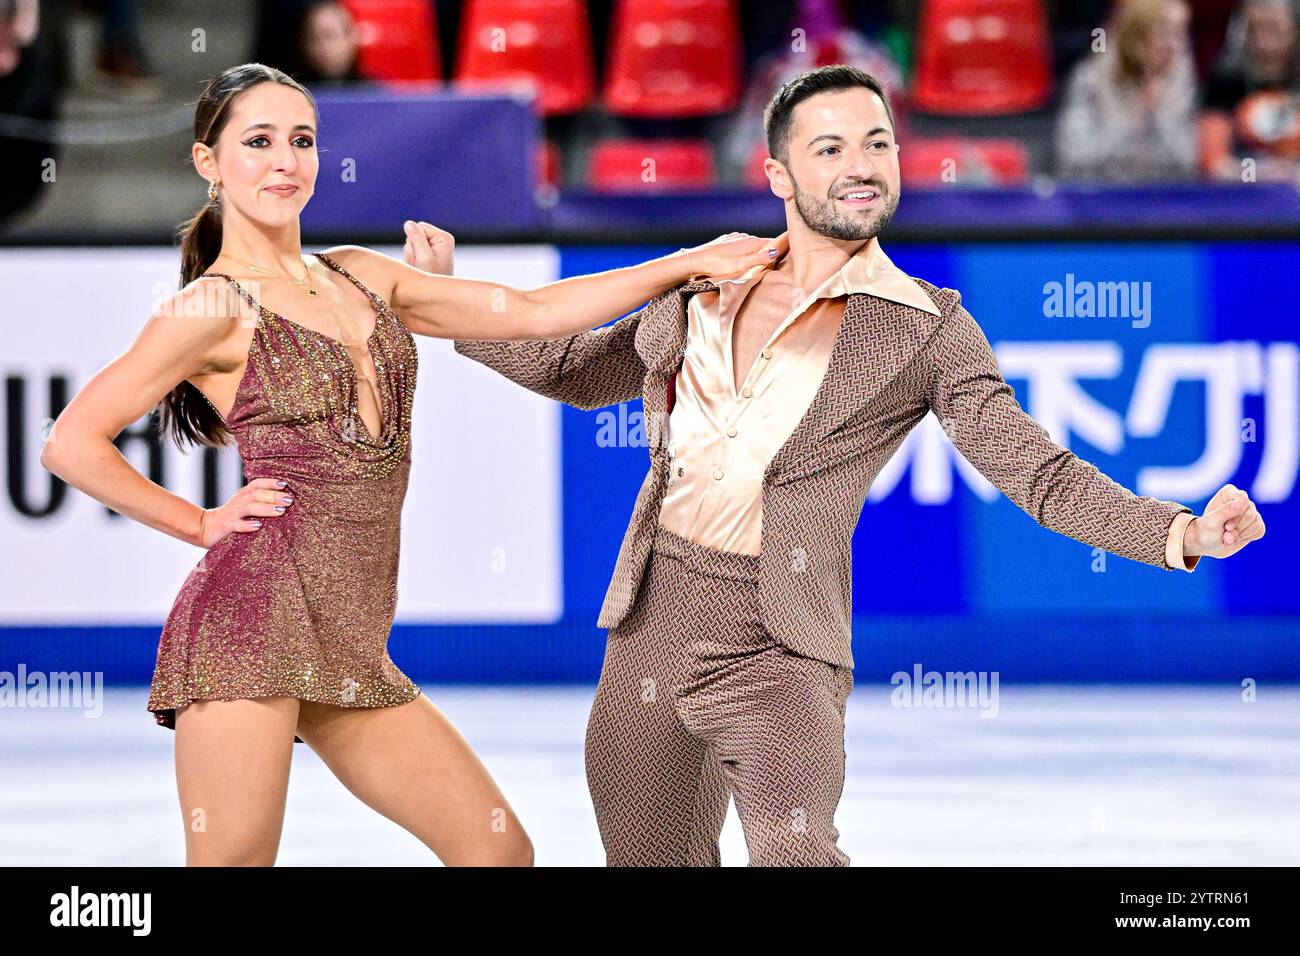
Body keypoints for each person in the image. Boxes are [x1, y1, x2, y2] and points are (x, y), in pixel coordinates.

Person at [449, 65, 1267, 866]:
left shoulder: (926, 326)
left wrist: (1182, 531)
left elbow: (1036, 472)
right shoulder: (709, 283)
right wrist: (451, 304)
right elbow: (580, 369)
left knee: (797, 850)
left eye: (878, 145)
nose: (862, 167)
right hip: (649, 624)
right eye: (831, 149)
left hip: (780, 641)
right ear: (778, 172)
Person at [37, 62, 777, 867]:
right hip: (248, 624)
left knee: (496, 853)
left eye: (302, 140)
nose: (285, 161)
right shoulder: (208, 308)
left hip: (350, 638)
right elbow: (70, 441)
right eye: (258, 142)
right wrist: (202, 522)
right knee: (233, 862)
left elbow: (529, 313)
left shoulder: (362, 272)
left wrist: (683, 263)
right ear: (208, 163)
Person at [1055, 0, 1198, 183]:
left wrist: (1158, 115)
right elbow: (1074, 158)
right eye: (1164, 32)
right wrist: (1134, 119)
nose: (1174, 46)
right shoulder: (1091, 80)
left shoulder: (1180, 81)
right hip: (1099, 200)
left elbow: (1187, 163)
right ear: (1135, 33)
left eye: (1181, 34)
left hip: (1161, 202)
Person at [1200, 0, 1300, 181]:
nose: (1263, 39)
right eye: (1254, 29)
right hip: (1245, 194)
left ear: (1294, 30)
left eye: (1273, 27)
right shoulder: (1227, 80)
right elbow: (1213, 163)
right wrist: (1262, 173)